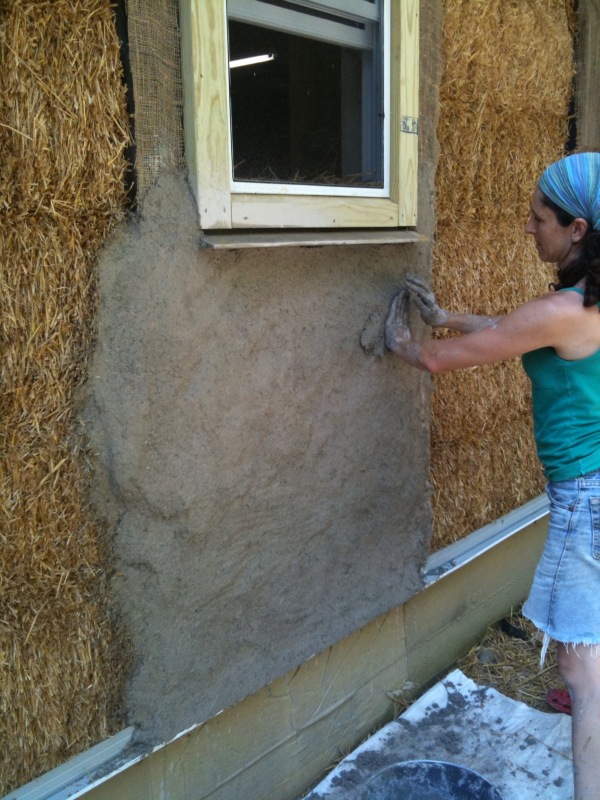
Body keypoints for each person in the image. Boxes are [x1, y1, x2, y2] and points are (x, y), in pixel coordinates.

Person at [384, 151, 600, 800]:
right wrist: (446, 315)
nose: (528, 229)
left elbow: (448, 361)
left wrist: (403, 344)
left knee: (578, 665)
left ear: (578, 229)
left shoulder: (564, 310)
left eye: (540, 219)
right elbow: (513, 332)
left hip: (585, 498)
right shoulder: (580, 307)